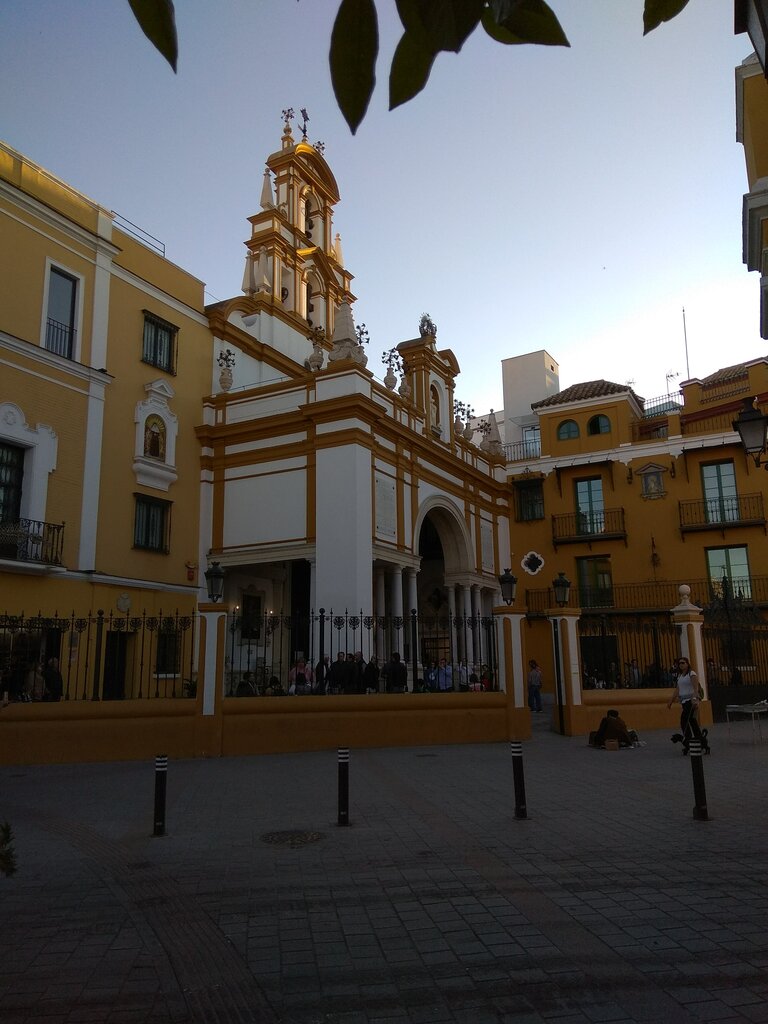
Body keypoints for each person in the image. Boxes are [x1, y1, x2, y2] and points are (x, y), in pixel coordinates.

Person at [667, 656, 703, 754]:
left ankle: (688, 741)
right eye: (680, 663)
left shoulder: (692, 674)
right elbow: (678, 689)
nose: (681, 665)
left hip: (690, 701)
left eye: (683, 663)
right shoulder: (680, 676)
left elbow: (696, 688)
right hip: (683, 702)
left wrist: (695, 700)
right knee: (692, 721)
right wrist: (671, 700)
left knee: (684, 721)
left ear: (687, 664)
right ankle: (699, 740)